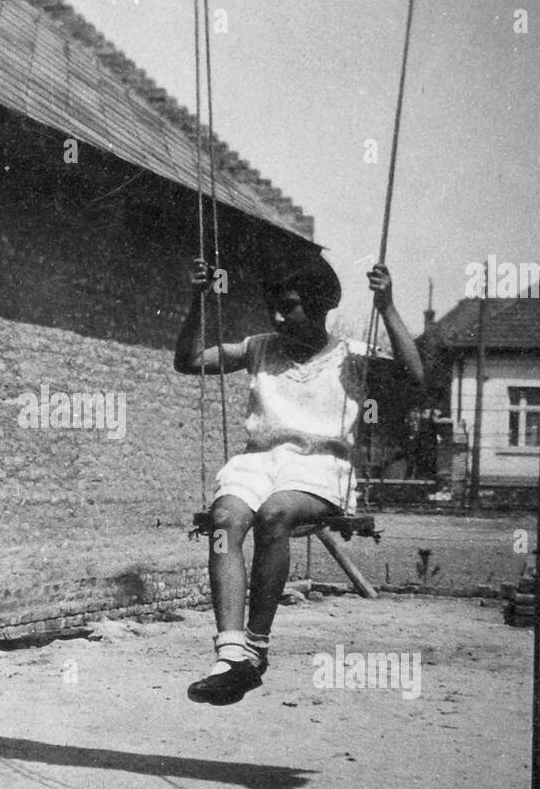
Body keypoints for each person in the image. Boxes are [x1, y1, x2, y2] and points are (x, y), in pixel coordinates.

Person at [174, 258, 423, 706]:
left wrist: (385, 306)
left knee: (276, 513)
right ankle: (230, 652)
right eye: (274, 307)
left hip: (320, 466)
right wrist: (197, 300)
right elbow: (190, 361)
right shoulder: (258, 347)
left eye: (288, 307)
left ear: (320, 306)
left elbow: (414, 378)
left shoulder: (352, 356)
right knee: (224, 519)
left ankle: (256, 647)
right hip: (259, 461)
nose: (277, 317)